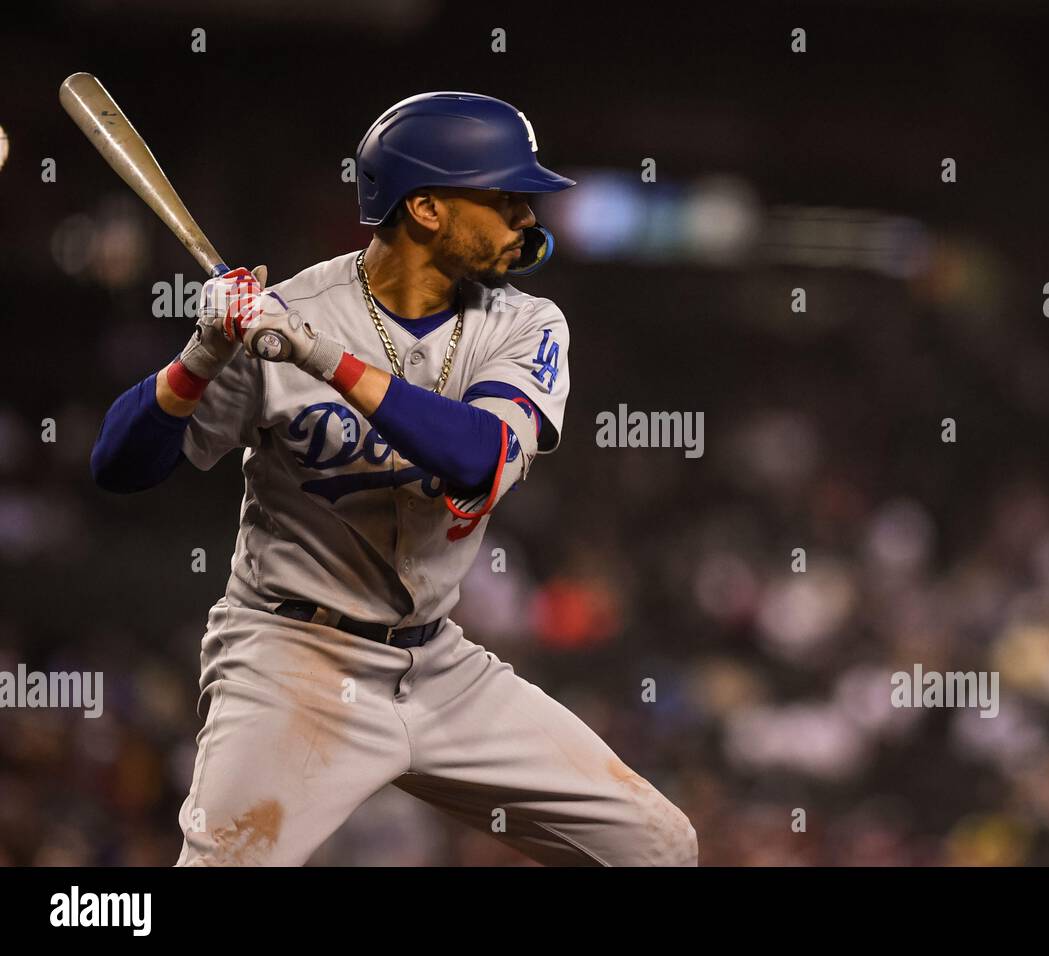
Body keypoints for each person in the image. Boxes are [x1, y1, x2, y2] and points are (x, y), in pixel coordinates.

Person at [89, 91, 698, 867]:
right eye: (506, 197)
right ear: (427, 208)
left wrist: (320, 358)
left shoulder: (524, 324)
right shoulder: (286, 313)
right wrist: (202, 353)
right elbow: (120, 466)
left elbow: (477, 454)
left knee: (660, 847)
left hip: (438, 664)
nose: (527, 218)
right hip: (290, 656)